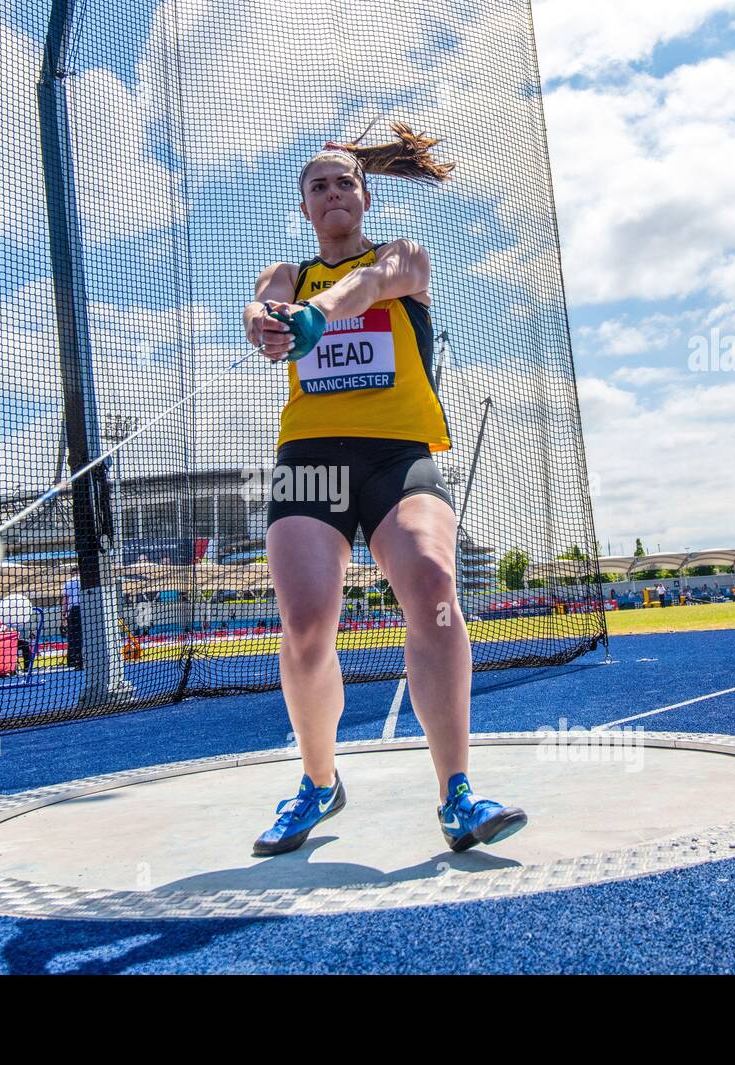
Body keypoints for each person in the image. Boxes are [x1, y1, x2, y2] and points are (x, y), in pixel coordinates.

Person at [241, 123, 526, 857]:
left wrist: (317, 317)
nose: (332, 192)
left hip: (397, 454)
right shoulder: (285, 276)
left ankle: (457, 793)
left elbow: (366, 287)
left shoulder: (403, 257)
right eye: (317, 185)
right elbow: (259, 310)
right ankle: (317, 781)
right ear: (304, 207)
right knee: (306, 625)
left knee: (432, 583)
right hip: (310, 459)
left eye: (344, 182)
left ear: (364, 197)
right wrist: (271, 326)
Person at [63, 565, 83, 669]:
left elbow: (65, 600)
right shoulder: (84, 580)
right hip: (85, 609)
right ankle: (82, 660)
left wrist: (64, 615)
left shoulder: (69, 582)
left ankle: (73, 661)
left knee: (72, 636)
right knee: (83, 636)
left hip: (74, 610)